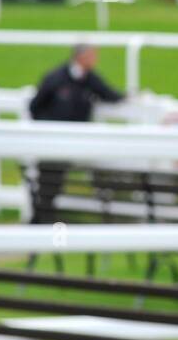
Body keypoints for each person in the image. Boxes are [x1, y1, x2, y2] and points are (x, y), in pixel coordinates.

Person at [27, 44, 125, 224]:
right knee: (49, 179)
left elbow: (109, 94)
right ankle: (41, 219)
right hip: (53, 142)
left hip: (75, 142)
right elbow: (35, 107)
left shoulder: (89, 78)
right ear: (80, 57)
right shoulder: (56, 78)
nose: (95, 60)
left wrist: (130, 96)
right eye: (92, 56)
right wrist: (48, 130)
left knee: (56, 180)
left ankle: (44, 220)